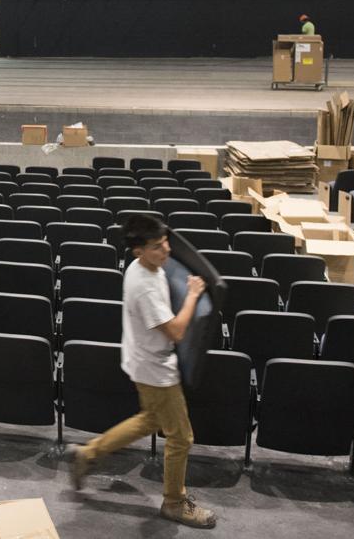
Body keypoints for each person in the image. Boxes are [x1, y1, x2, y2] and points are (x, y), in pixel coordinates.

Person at [63, 213, 216, 530]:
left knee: (151, 418)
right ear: (138, 251)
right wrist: (192, 296)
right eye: (158, 247)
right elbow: (175, 331)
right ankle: (174, 502)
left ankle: (87, 454)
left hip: (141, 357)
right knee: (181, 437)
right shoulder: (143, 285)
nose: (167, 251)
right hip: (154, 368)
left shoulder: (145, 265)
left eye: (166, 242)